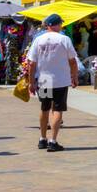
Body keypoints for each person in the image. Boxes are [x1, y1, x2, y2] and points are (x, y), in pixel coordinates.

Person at [26, 14, 79, 152]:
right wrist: (74, 77)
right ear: (57, 24)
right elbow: (72, 61)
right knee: (57, 110)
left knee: (44, 108)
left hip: (44, 78)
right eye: (60, 23)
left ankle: (42, 138)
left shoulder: (38, 40)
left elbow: (31, 63)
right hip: (60, 79)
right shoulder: (64, 39)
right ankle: (53, 141)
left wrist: (31, 82)